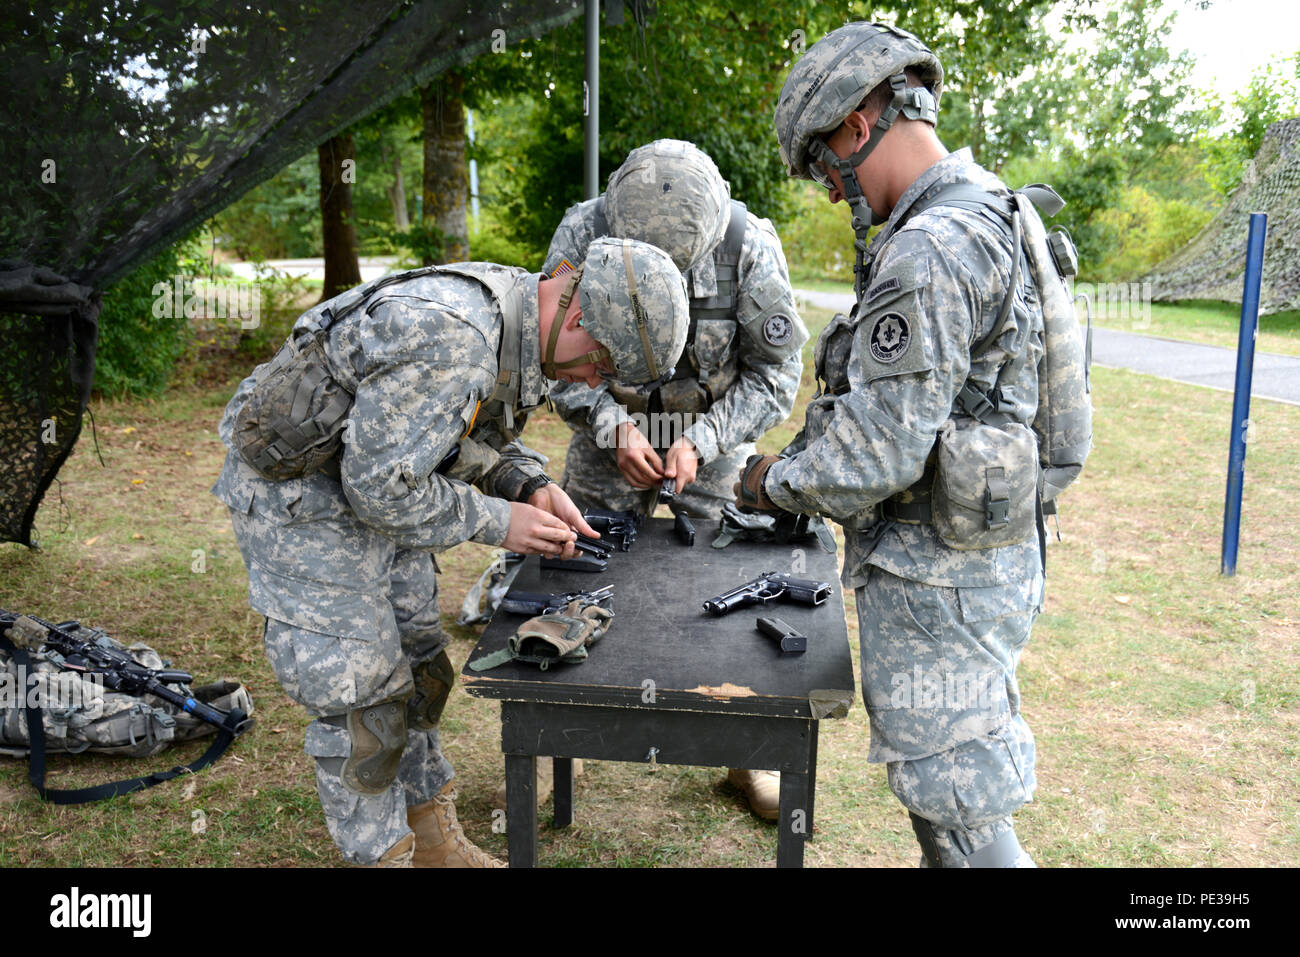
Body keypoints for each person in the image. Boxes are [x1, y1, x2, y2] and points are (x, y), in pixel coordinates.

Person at [212, 238, 689, 867]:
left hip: (380, 481)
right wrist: (500, 521)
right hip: (303, 497)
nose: (592, 381)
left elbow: (466, 434)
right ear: (577, 317)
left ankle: (433, 836)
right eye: (600, 365)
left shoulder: (520, 317)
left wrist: (530, 484)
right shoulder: (455, 334)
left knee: (420, 664)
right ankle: (383, 854)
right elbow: (380, 487)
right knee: (364, 700)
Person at [747, 21, 1065, 866]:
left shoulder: (930, 248)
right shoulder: (983, 209)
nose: (826, 190)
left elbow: (880, 453)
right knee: (947, 802)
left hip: (943, 579)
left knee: (962, 812)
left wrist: (771, 480)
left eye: (821, 164)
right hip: (973, 563)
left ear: (857, 124)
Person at [541, 139, 809, 820]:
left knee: (728, 600)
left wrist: (705, 439)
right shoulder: (583, 231)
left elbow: (776, 373)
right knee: (573, 573)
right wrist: (611, 426)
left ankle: (743, 757)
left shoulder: (747, 244)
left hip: (710, 445)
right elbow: (547, 358)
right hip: (611, 440)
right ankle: (544, 745)